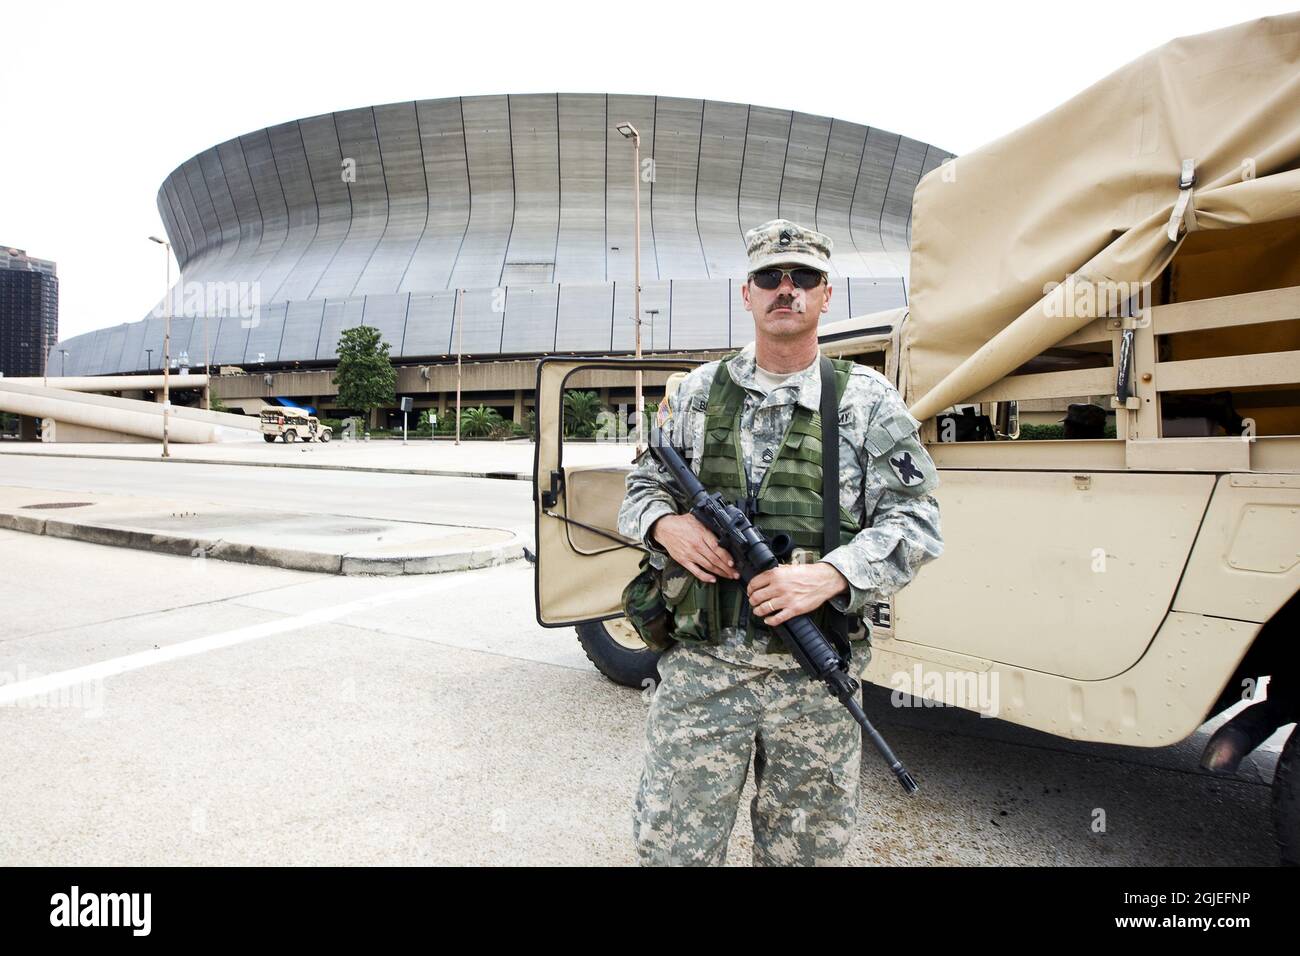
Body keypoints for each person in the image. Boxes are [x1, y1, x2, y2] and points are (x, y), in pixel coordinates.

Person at [617, 218, 943, 866]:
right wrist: (666, 525)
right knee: (671, 851)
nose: (785, 289)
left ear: (826, 295)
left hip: (815, 683)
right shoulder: (697, 394)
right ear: (748, 294)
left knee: (805, 858)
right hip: (703, 671)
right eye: (770, 276)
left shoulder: (870, 402)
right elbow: (640, 487)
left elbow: (918, 521)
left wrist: (832, 575)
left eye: (804, 278)